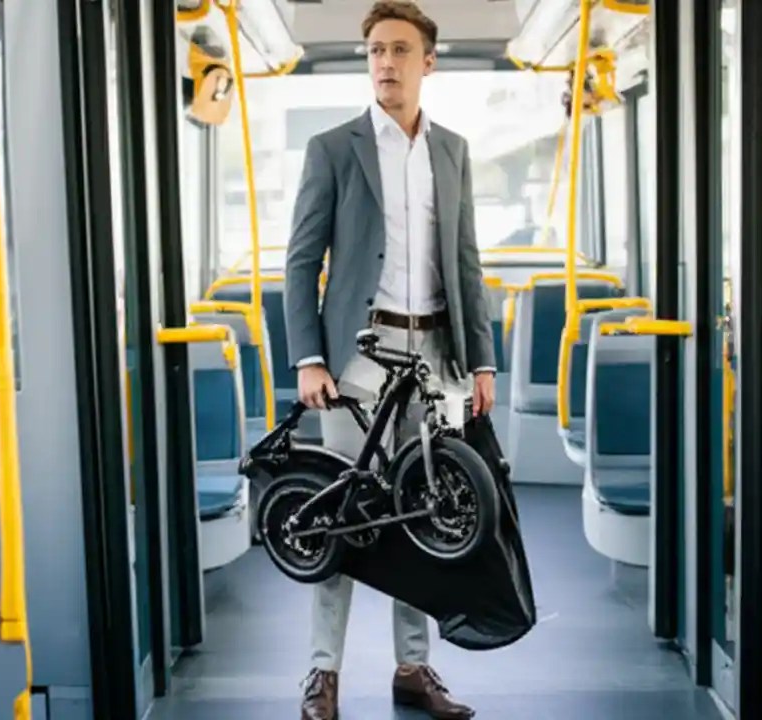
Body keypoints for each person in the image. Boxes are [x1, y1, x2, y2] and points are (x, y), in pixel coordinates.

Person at [282, 2, 497, 718]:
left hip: (436, 354)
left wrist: (483, 363)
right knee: (347, 515)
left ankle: (413, 668)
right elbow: (300, 262)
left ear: (427, 62)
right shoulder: (334, 148)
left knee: (423, 515)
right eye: (375, 49)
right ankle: (324, 674)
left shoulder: (452, 150)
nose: (384, 62)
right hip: (359, 358)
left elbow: (466, 263)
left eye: (400, 50)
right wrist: (309, 359)